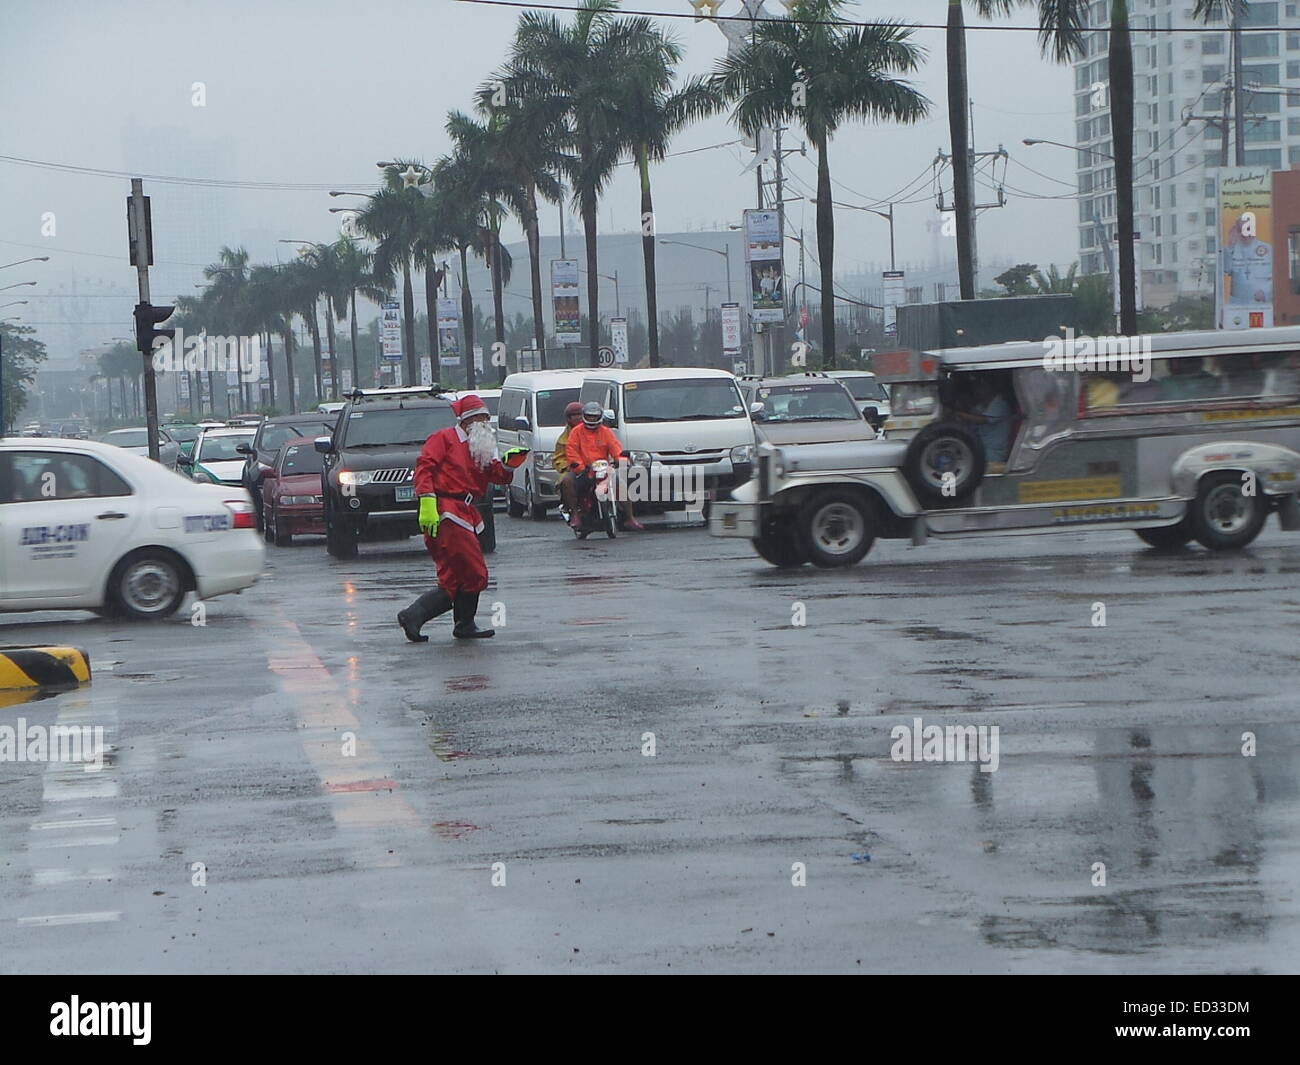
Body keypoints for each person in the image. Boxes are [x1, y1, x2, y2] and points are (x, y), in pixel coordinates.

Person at [397, 394, 528, 642]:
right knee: (474, 573)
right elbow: (425, 467)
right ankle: (462, 623)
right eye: (481, 417)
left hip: (465, 511)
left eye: (488, 418)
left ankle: (415, 616)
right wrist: (426, 499)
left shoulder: (481, 446)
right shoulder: (444, 438)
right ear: (467, 420)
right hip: (447, 511)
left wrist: (510, 465)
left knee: (452, 579)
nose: (486, 423)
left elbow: (496, 474)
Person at [565, 400, 643, 531]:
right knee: (566, 481)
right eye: (589, 416)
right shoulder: (576, 432)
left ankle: (630, 518)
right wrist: (580, 467)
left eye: (594, 416)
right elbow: (571, 451)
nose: (592, 419)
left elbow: (615, 448)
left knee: (621, 486)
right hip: (582, 469)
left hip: (604, 469)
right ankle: (575, 514)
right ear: (584, 416)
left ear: (600, 416)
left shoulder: (606, 432)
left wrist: (622, 460)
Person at [953, 375, 1012, 463]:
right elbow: (971, 418)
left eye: (980, 387)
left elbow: (982, 420)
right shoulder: (981, 406)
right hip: (981, 448)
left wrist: (959, 414)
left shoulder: (1000, 404)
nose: (976, 391)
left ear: (989, 387)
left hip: (993, 453)